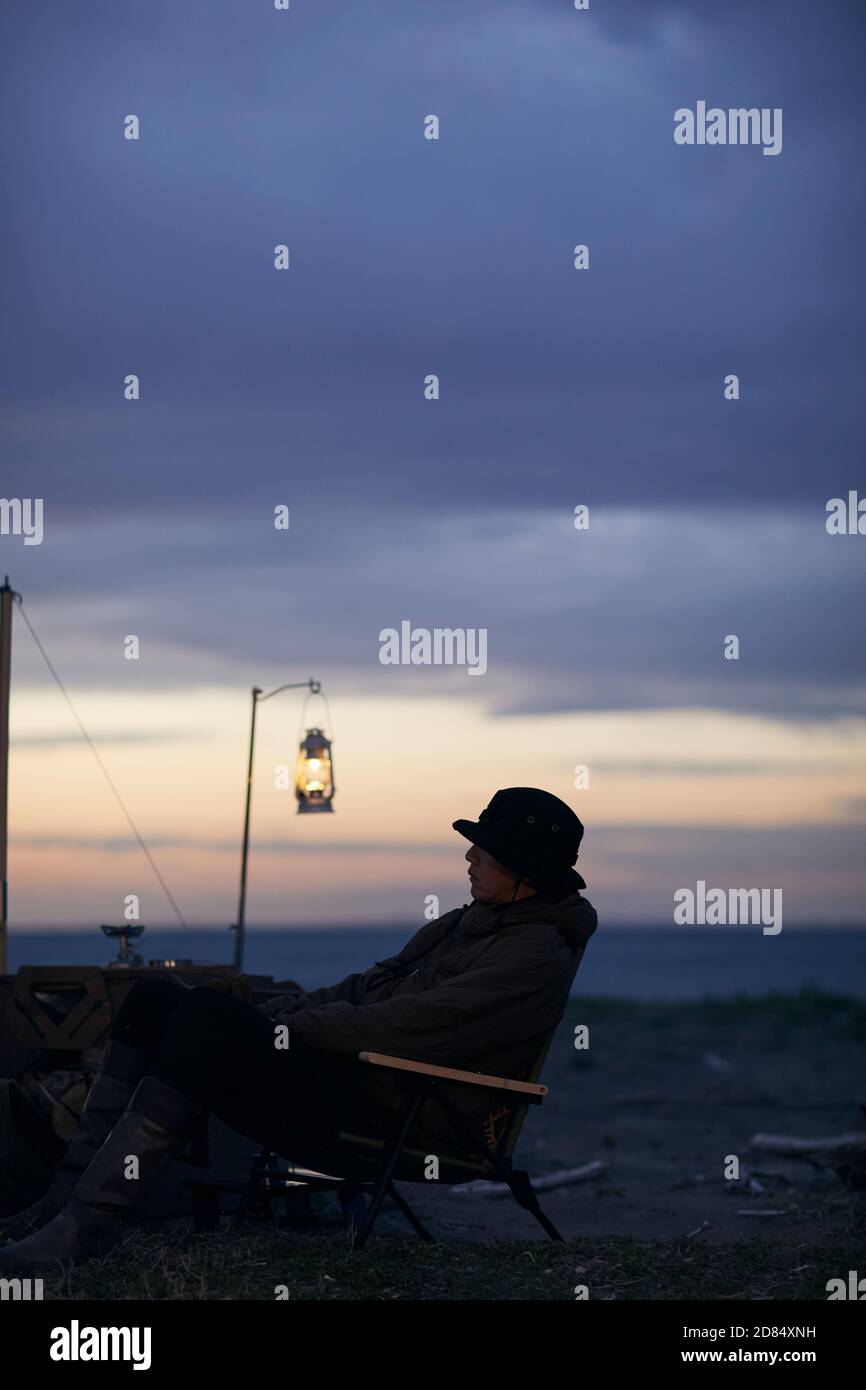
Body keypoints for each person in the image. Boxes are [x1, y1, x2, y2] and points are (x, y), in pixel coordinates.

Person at [0, 787, 598, 1273]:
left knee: (208, 1017)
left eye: (484, 852)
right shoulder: (465, 925)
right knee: (156, 998)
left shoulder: (534, 954)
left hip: (400, 1112)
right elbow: (366, 988)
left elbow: (414, 1026)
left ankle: (90, 1225)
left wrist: (297, 1027)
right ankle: (66, 1199)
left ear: (523, 873)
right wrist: (283, 1013)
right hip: (360, 1082)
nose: (470, 858)